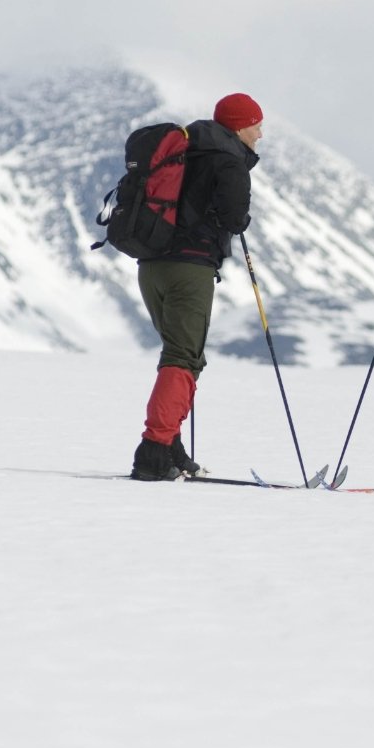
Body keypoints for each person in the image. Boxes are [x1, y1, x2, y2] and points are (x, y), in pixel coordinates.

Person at [128, 93, 264, 481]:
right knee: (183, 358)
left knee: (179, 355)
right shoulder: (228, 161)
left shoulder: (185, 146)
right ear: (239, 126)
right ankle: (153, 452)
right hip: (189, 267)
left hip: (151, 266)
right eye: (256, 124)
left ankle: (170, 448)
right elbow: (235, 217)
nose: (260, 132)